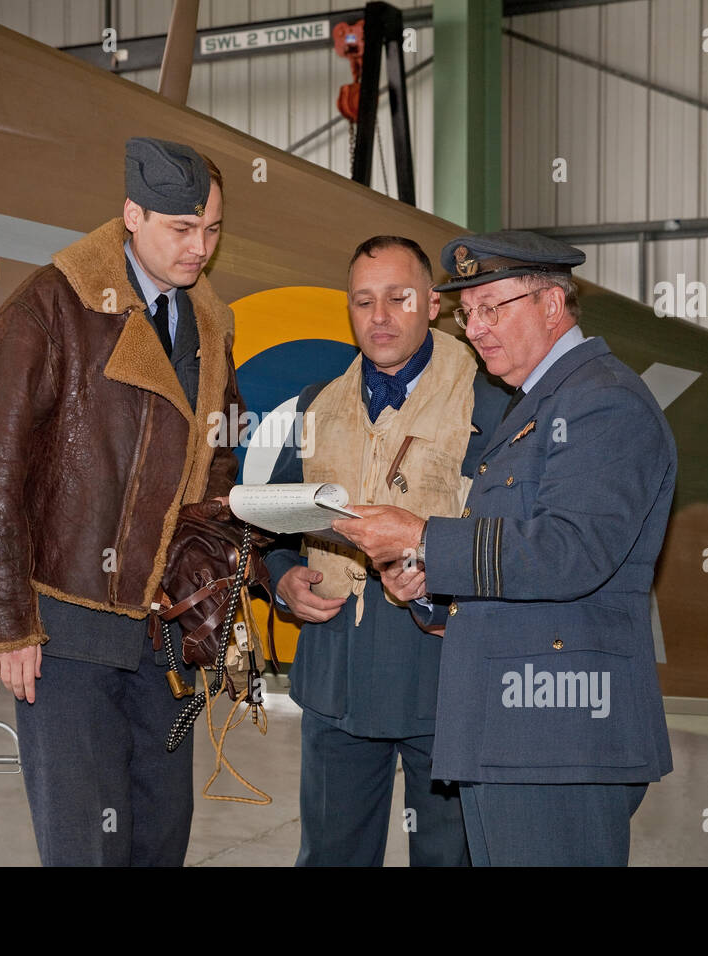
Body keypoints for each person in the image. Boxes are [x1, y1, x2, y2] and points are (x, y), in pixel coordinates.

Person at [332, 230, 676, 866]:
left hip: (559, 736)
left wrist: (421, 536)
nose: (476, 328)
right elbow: (514, 563)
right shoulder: (539, 405)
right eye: (468, 313)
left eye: (494, 308)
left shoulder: (601, 401)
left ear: (552, 305)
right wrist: (431, 582)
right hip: (514, 734)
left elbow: (572, 551)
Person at [0, 137, 243, 866]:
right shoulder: (54, 305)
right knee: (86, 844)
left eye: (211, 230)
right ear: (132, 214)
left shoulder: (209, 322)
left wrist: (219, 584)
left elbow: (220, 459)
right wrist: (7, 627)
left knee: (158, 836)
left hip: (165, 630)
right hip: (67, 627)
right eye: (181, 228)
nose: (199, 248)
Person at [263, 236, 507, 866]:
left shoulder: (489, 404)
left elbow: (511, 539)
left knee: (450, 859)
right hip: (336, 681)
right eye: (363, 301)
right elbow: (272, 524)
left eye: (398, 299)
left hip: (443, 680)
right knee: (331, 857)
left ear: (431, 304)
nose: (379, 318)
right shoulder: (318, 405)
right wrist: (283, 577)